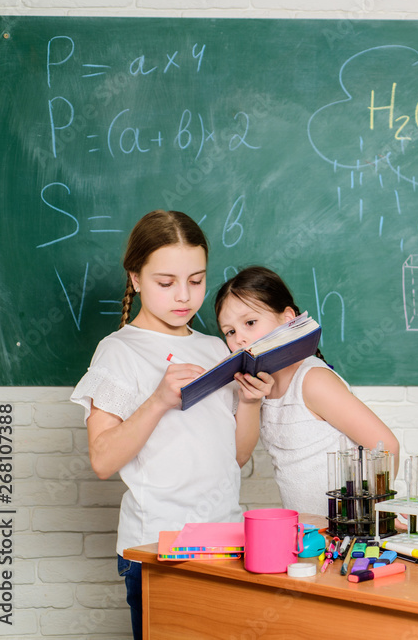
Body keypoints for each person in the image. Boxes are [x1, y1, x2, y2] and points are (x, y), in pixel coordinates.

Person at [70, 211, 271, 638]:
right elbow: (103, 460)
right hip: (158, 547)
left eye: (196, 280)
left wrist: (251, 403)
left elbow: (234, 456)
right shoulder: (117, 352)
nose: (184, 296)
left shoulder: (217, 346)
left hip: (226, 540)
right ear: (136, 278)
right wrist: (159, 400)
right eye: (166, 283)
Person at [214, 266, 400, 517]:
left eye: (250, 322)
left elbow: (386, 446)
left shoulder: (313, 380)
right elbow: (237, 457)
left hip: (351, 531)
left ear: (288, 318)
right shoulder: (259, 389)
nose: (240, 339)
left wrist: (367, 513)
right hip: (312, 535)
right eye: (230, 331)